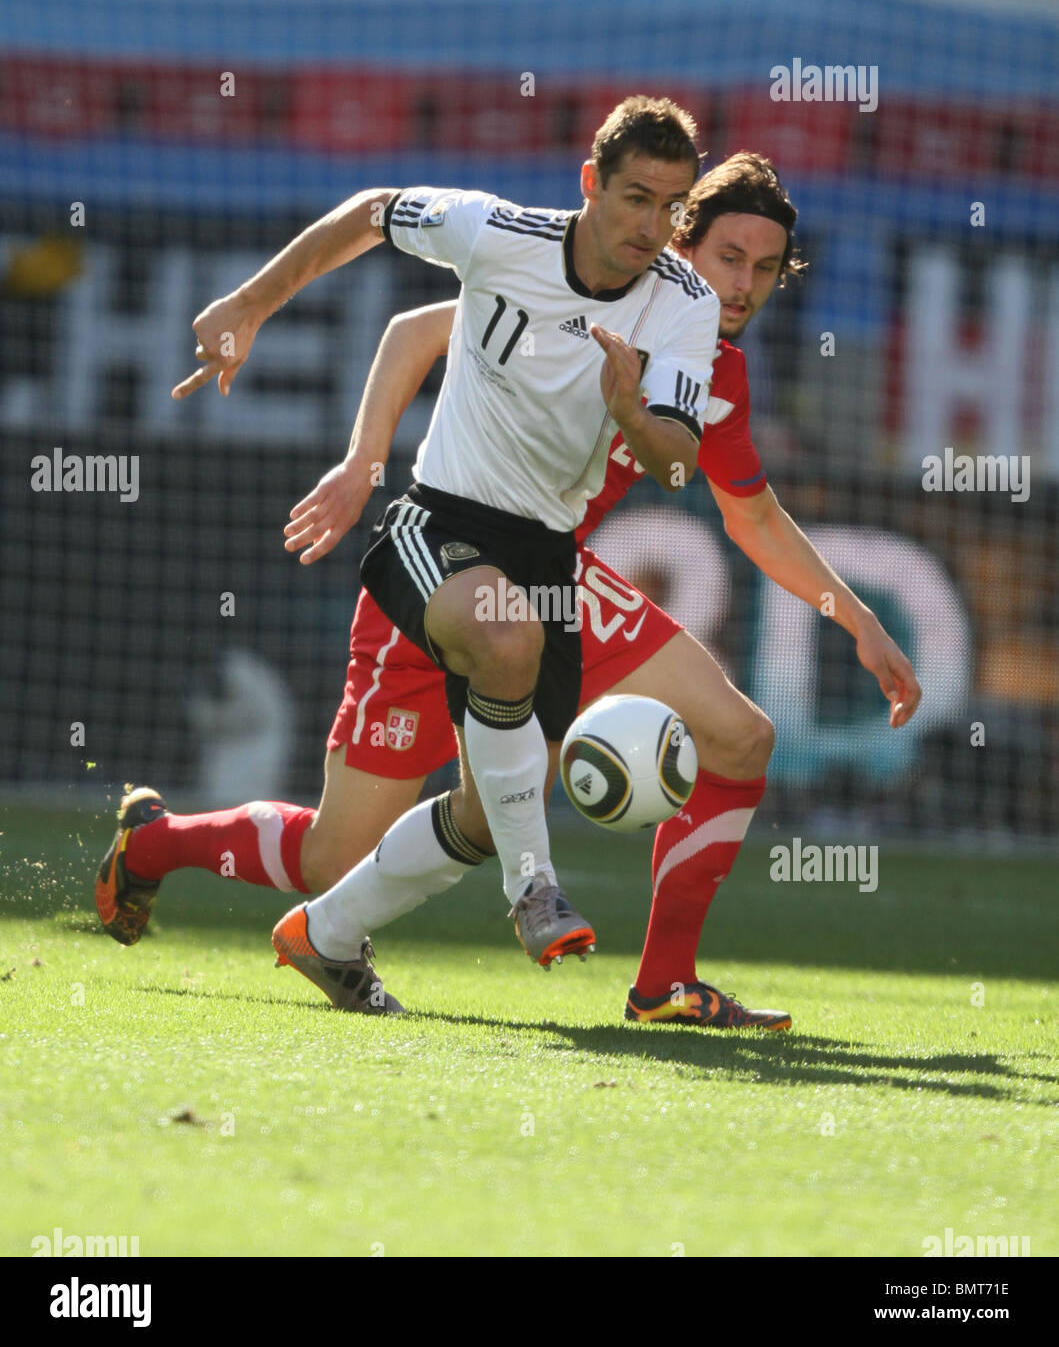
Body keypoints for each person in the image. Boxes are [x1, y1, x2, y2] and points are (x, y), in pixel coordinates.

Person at [95, 152, 922, 1029]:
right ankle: (160, 844)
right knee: (333, 851)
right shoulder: (583, 288)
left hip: (552, 581)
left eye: (764, 269)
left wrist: (857, 620)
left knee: (737, 740)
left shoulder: (712, 369)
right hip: (444, 558)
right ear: (674, 239)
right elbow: (415, 331)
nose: (743, 285)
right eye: (727, 259)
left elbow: (750, 518)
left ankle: (664, 985)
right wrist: (362, 464)